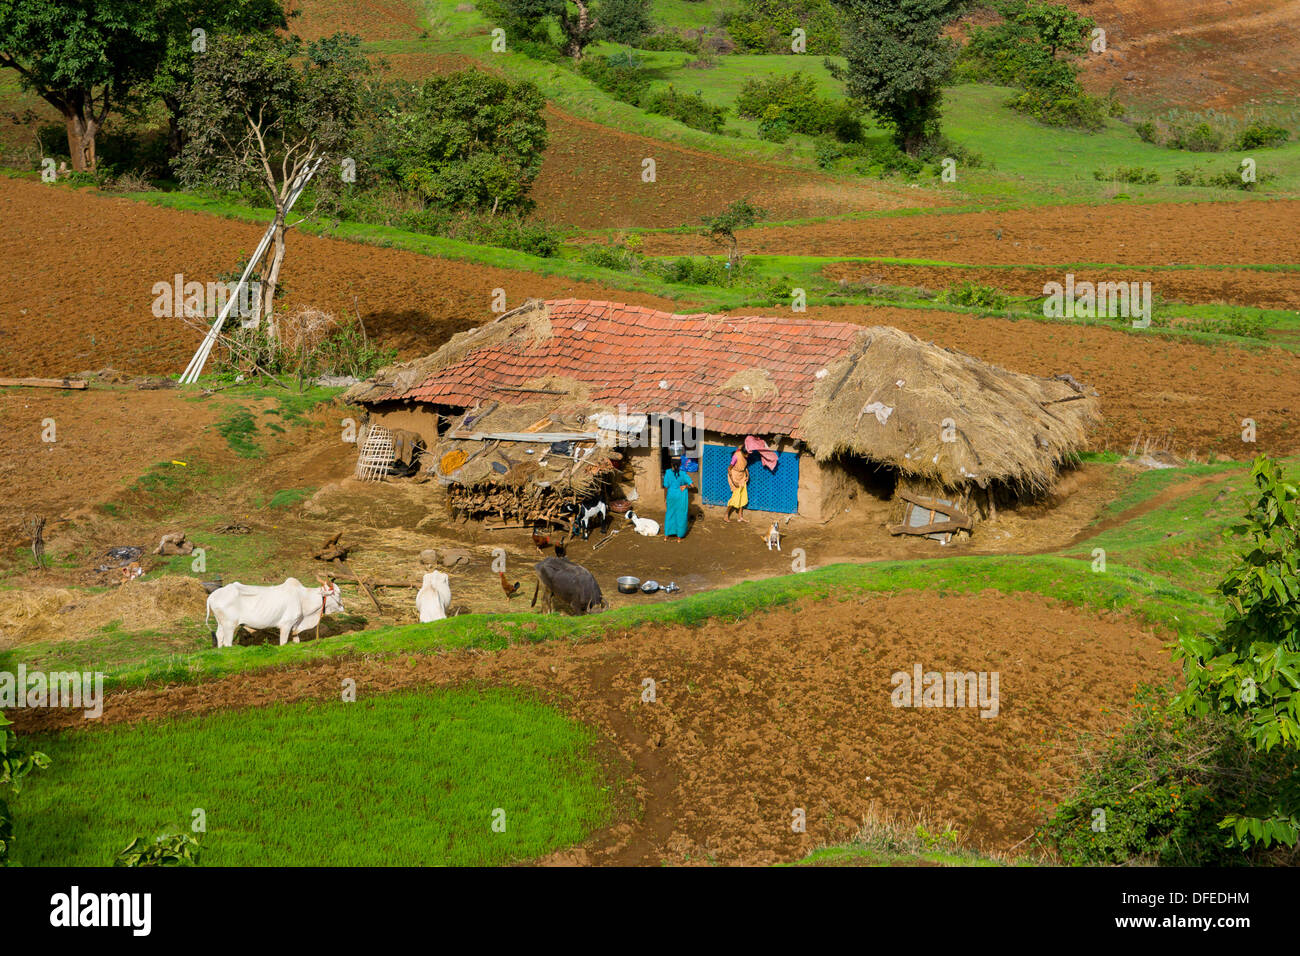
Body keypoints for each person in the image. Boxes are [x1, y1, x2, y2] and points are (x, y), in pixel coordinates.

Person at [662, 455, 692, 541]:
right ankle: (679, 536)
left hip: (671, 496)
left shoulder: (667, 472)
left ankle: (666, 536)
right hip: (681, 497)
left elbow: (666, 487)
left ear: (671, 463)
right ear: (680, 464)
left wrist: (665, 499)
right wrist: (685, 486)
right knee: (681, 514)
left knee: (670, 514)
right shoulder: (683, 473)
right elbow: (692, 485)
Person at [726, 445, 749, 522]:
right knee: (735, 497)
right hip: (734, 476)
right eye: (747, 454)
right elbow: (729, 469)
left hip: (742, 476)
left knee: (743, 496)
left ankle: (740, 516)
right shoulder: (736, 456)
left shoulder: (745, 456)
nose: (748, 456)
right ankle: (726, 515)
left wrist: (748, 475)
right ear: (743, 452)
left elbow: (745, 467)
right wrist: (733, 481)